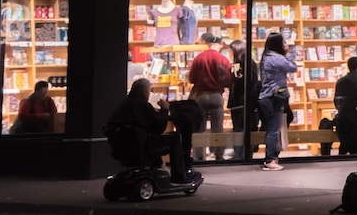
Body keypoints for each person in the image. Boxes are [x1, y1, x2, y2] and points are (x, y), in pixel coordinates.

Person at [107, 78, 190, 182]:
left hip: (123, 147)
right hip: (141, 146)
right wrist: (164, 109)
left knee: (151, 139)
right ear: (144, 91)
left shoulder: (123, 104)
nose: (149, 94)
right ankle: (179, 175)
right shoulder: (143, 105)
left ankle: (157, 166)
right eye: (149, 91)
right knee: (174, 137)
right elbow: (159, 127)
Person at [186, 32, 232, 161]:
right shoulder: (223, 59)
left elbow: (192, 78)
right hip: (217, 95)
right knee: (217, 127)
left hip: (201, 96)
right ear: (219, 45)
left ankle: (198, 155)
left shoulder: (199, 58)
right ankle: (218, 154)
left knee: (199, 127)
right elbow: (228, 79)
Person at [257, 32, 296, 171]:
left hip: (267, 97)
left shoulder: (267, 57)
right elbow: (292, 67)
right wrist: (289, 54)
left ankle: (272, 157)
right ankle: (270, 159)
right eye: (283, 42)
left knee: (272, 128)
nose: (286, 45)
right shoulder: (275, 58)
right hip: (274, 97)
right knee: (273, 129)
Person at [227, 39, 260, 161]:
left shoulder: (243, 64)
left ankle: (242, 154)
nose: (230, 54)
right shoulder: (246, 63)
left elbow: (247, 82)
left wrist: (236, 79)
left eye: (231, 51)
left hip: (242, 102)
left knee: (240, 127)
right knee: (242, 127)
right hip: (242, 102)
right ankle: (242, 153)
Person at [333, 55, 357, 156]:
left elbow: (336, 101)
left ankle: (343, 152)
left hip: (345, 119)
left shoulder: (341, 81)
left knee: (346, 135)